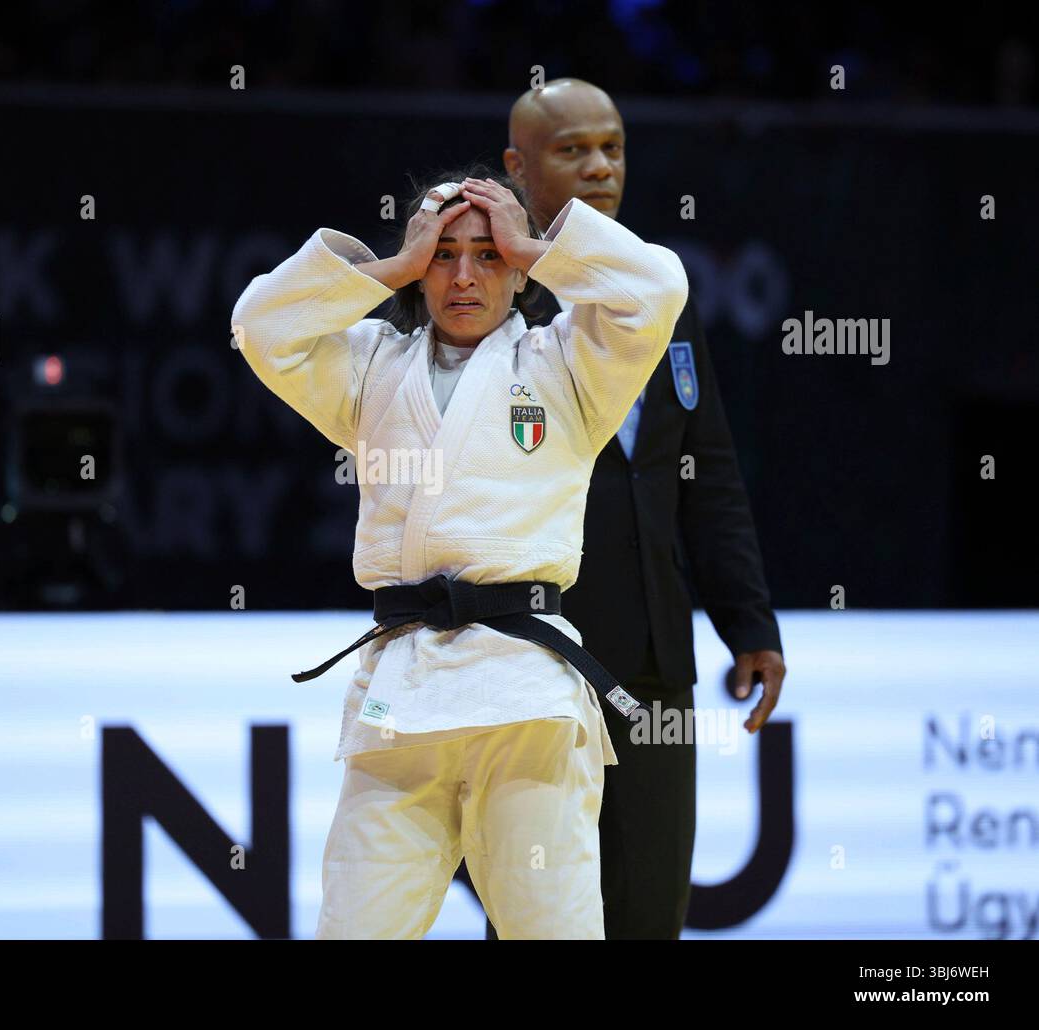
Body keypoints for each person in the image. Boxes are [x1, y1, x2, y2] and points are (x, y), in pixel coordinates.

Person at [231, 165, 687, 939]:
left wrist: (537, 245)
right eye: (444, 254)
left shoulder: (566, 365)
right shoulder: (372, 366)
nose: (465, 276)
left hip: (525, 699)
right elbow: (258, 324)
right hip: (401, 701)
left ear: (517, 269)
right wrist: (390, 269)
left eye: (488, 255)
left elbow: (658, 288)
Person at [503, 79, 787, 939]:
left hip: (658, 657)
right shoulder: (488, 296)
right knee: (535, 913)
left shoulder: (662, 288)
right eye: (572, 150)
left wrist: (750, 625)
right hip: (533, 654)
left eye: (613, 148)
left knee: (650, 907)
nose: (599, 167)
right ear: (518, 169)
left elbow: (708, 478)